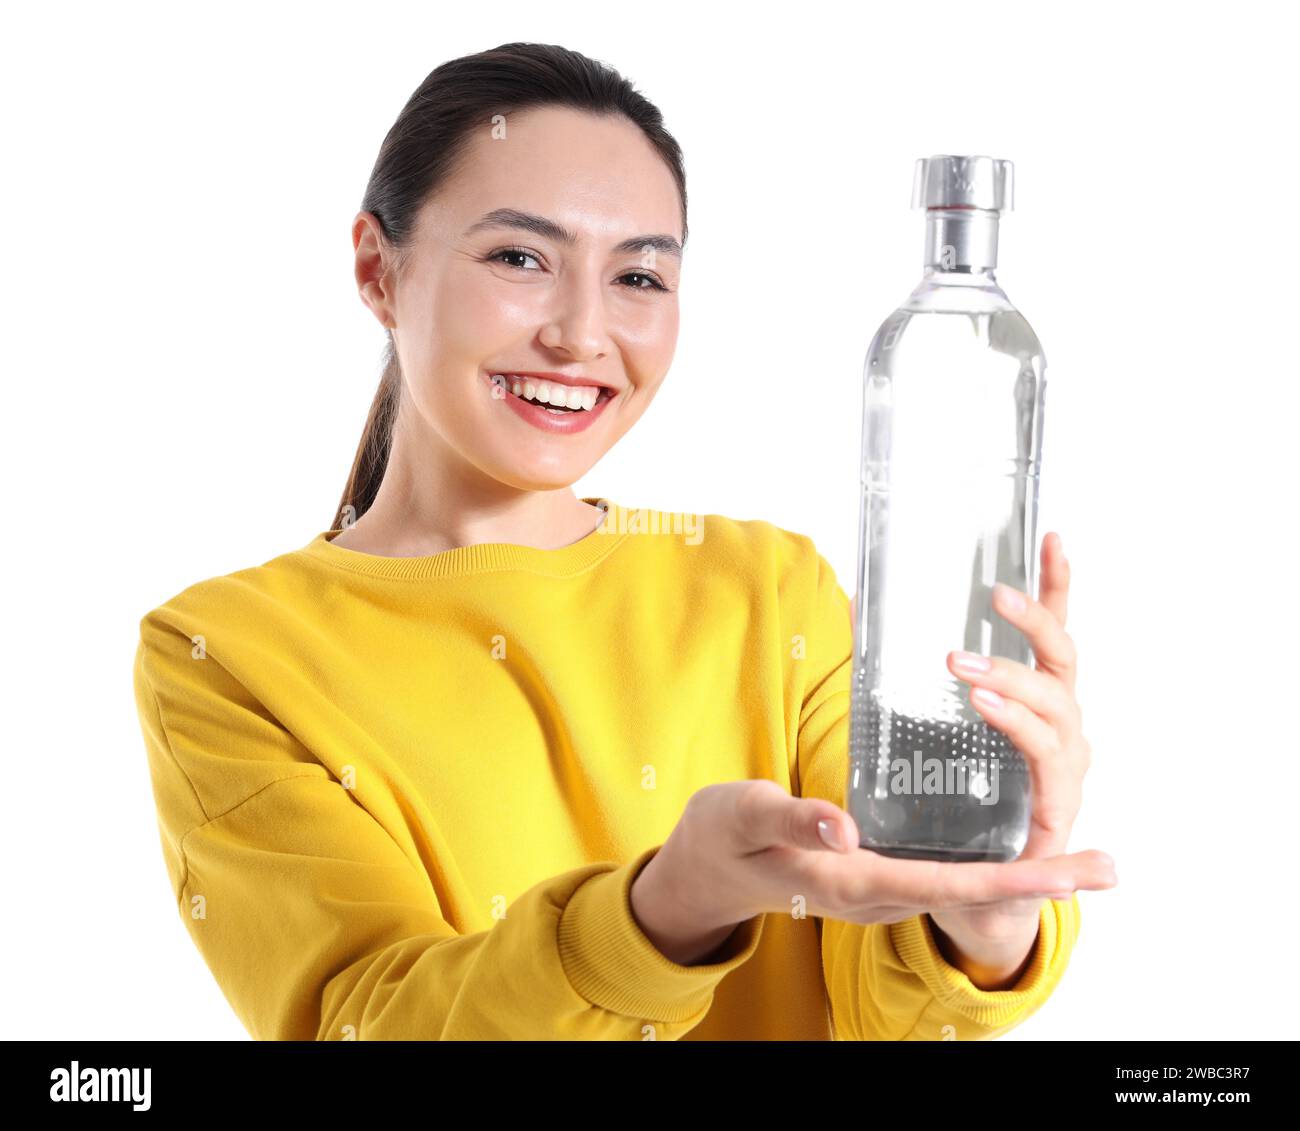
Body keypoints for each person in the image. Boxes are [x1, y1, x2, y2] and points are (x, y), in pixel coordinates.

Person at [131, 41, 1115, 1041]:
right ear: (378, 271)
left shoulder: (769, 589)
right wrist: (664, 914)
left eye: (639, 276)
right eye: (520, 258)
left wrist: (981, 918)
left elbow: (883, 1012)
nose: (581, 333)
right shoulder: (228, 654)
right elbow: (367, 1023)